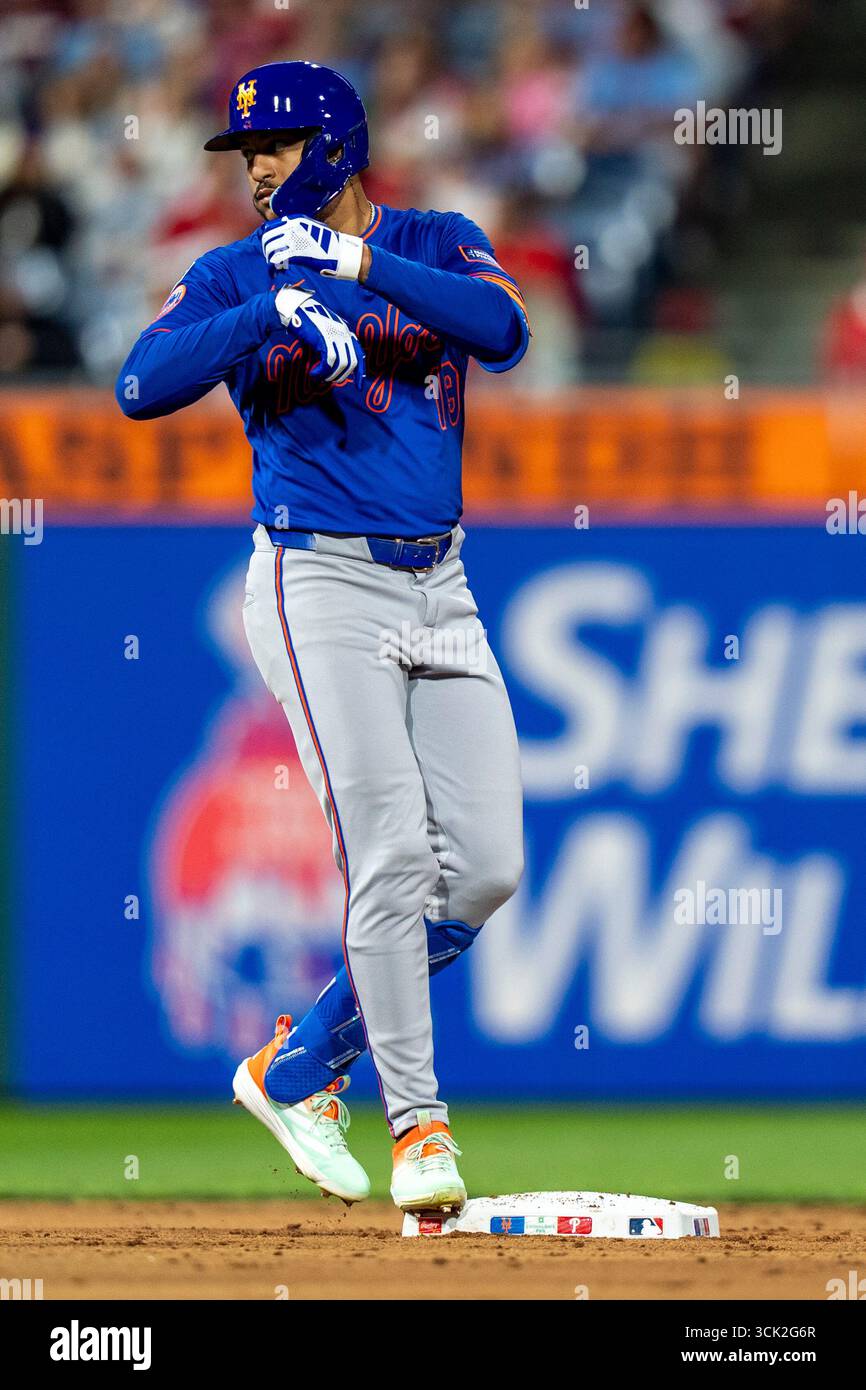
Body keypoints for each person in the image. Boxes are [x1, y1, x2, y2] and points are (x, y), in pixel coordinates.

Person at [116, 60, 529, 1214]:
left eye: (279, 147)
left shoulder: (435, 240)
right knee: (389, 849)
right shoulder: (230, 270)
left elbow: (501, 330)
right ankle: (420, 1130)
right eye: (247, 152)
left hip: (440, 584)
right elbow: (139, 385)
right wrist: (266, 311)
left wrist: (353, 267)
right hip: (316, 579)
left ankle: (295, 1066)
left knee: (485, 866)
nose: (257, 169)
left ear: (337, 144)